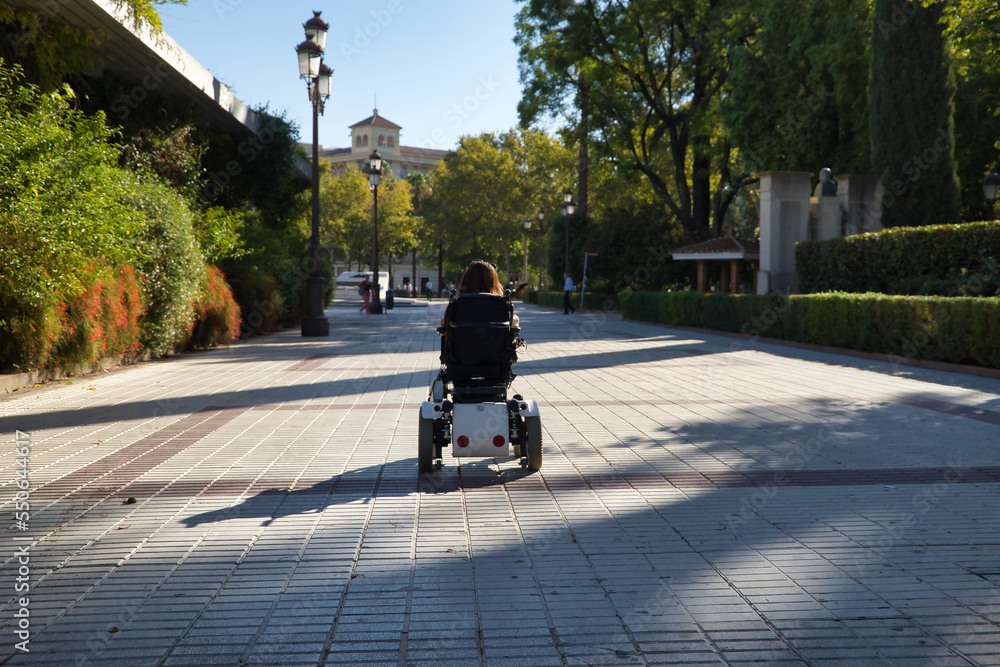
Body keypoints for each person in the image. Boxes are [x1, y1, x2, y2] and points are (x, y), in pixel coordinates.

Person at [441, 260, 519, 327]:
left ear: (466, 280)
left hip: (463, 343)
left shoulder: (457, 304)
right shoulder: (501, 304)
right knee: (514, 321)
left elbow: (445, 323)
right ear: (493, 282)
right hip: (495, 344)